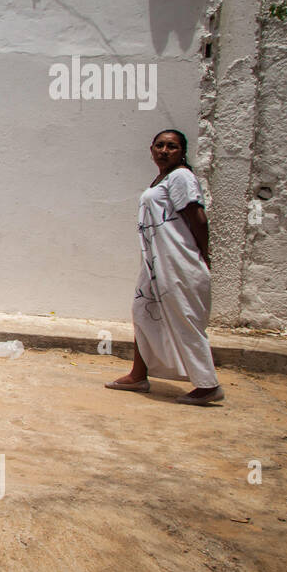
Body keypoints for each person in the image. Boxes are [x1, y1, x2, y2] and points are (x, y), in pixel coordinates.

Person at [107, 129, 224, 405]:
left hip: (177, 262)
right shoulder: (163, 178)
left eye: (171, 146)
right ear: (151, 150)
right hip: (157, 262)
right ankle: (138, 375)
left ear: (182, 152)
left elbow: (198, 219)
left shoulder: (181, 177)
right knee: (143, 311)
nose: (164, 150)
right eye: (159, 145)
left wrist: (203, 255)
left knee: (183, 317)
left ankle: (208, 385)